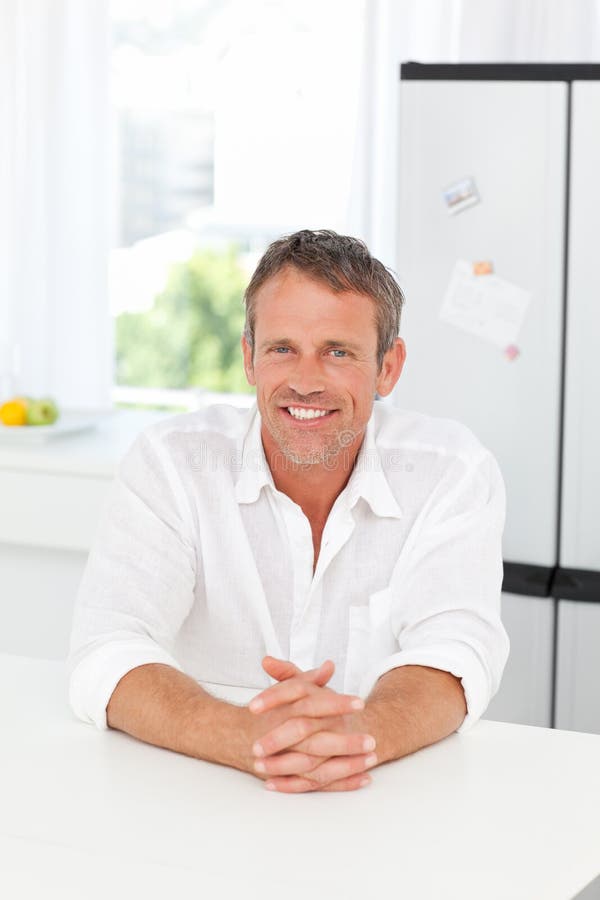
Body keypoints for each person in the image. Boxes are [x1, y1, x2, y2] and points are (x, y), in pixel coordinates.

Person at [68, 229, 509, 794]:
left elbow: (457, 648)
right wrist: (244, 737)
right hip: (195, 798)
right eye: (282, 349)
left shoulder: (451, 469)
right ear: (249, 356)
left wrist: (358, 735)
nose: (305, 382)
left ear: (387, 368)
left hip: (387, 809)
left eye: (338, 352)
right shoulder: (171, 463)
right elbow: (106, 647)